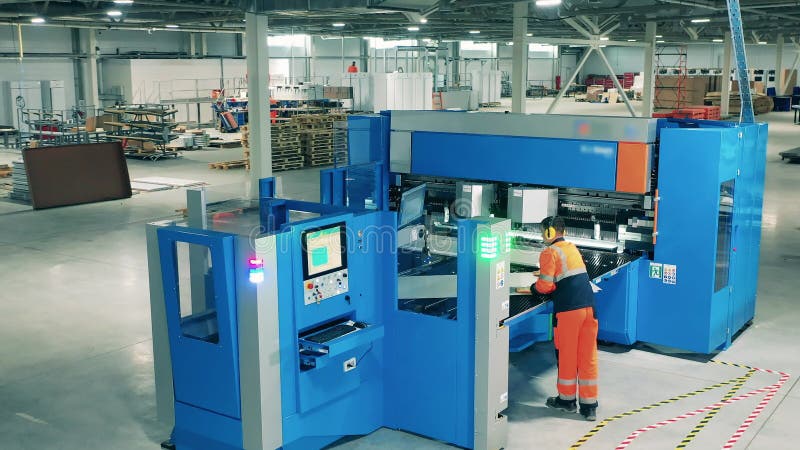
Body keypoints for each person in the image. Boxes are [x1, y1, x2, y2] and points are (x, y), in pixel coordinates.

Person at [532, 216, 599, 421]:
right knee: (588, 357)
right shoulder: (571, 247)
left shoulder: (549, 252)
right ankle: (589, 407)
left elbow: (545, 286)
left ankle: (567, 401)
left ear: (550, 232)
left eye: (543, 231)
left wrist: (533, 288)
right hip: (589, 309)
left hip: (569, 312)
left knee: (567, 356)